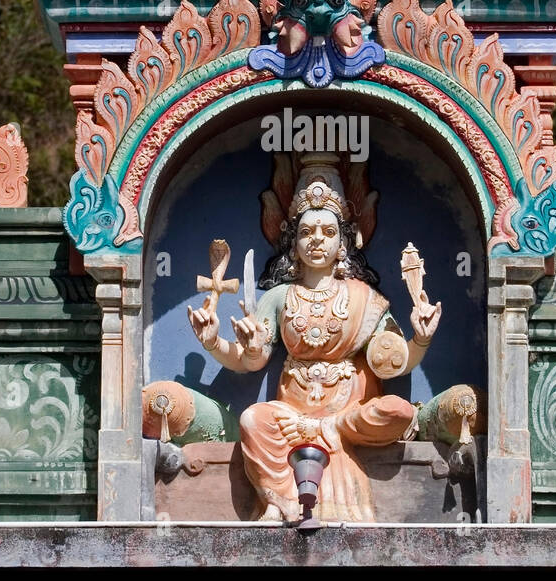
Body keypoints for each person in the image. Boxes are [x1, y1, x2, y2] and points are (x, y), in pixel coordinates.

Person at [187, 157, 441, 521]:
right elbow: (251, 360)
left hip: (348, 414)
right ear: (294, 243)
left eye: (327, 231)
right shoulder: (279, 297)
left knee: (397, 411)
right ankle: (283, 501)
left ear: (343, 243)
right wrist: (214, 342)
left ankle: (326, 430)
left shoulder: (363, 298)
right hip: (291, 411)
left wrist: (420, 339)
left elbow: (393, 363)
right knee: (253, 420)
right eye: (307, 233)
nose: (317, 240)